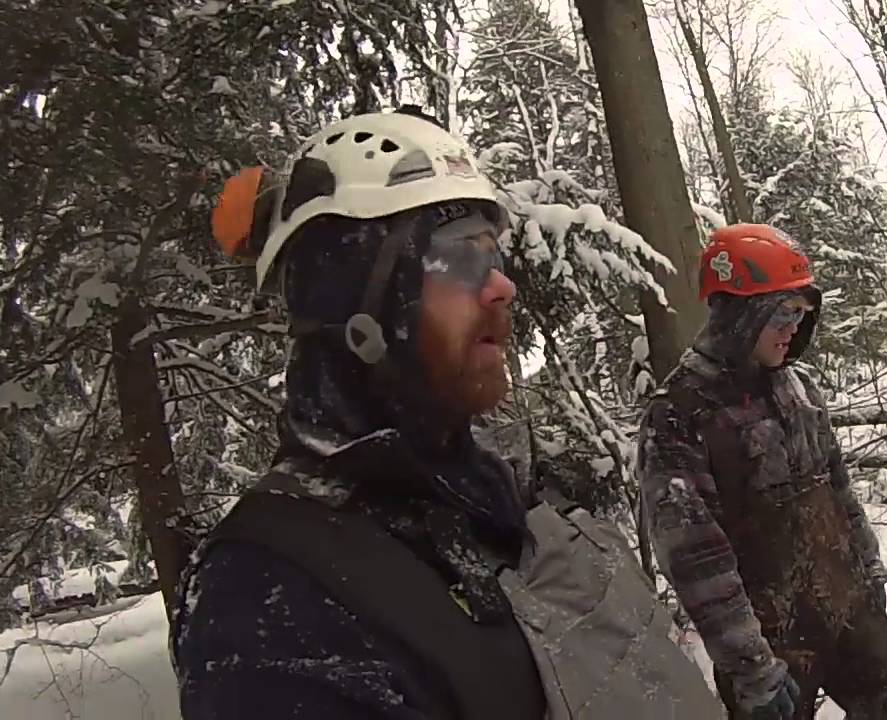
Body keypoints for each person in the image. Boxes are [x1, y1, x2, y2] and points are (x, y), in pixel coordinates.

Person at [172, 106, 723, 719]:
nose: (503, 287)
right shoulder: (270, 603)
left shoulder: (499, 503)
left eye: (495, 257)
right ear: (354, 302)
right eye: (461, 257)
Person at [637, 224, 887, 720]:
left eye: (803, 314)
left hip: (847, 607)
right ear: (739, 314)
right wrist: (751, 666)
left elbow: (838, 488)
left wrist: (868, 569)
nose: (794, 327)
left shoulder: (798, 386)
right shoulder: (678, 414)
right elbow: (695, 559)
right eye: (783, 312)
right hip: (769, 641)